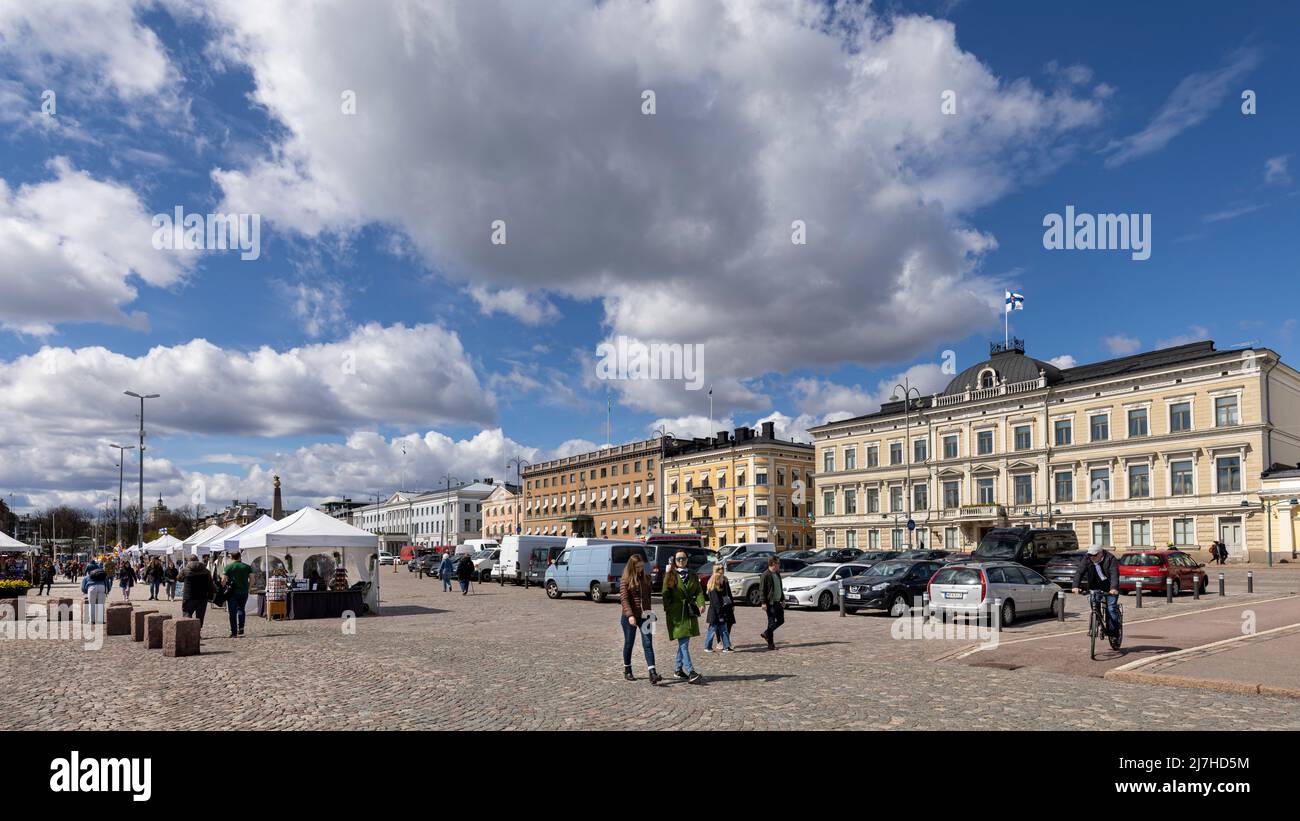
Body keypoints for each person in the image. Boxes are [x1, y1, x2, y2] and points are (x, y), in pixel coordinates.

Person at [661, 551, 706, 684]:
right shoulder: (670, 575)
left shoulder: (692, 574)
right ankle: (691, 671)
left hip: (689, 611)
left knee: (683, 642)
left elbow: (698, 591)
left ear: (687, 560)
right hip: (677, 613)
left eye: (683, 558)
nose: (681, 560)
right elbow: (665, 594)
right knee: (684, 643)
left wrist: (701, 603)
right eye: (678, 558)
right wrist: (669, 609)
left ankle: (678, 670)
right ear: (675, 560)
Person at [618, 554, 661, 684]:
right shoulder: (625, 579)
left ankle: (652, 672)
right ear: (632, 567)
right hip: (629, 616)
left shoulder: (646, 579)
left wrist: (651, 614)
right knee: (629, 643)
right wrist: (630, 615)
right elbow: (624, 599)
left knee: (648, 643)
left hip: (646, 616)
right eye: (637, 567)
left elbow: (647, 599)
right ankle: (627, 669)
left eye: (642, 566)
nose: (640, 569)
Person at [1071, 544, 1121, 629]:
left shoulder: (1110, 558)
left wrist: (1113, 588)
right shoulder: (1087, 558)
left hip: (1110, 586)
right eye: (1090, 555)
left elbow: (1114, 574)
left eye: (1094, 555)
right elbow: (1079, 572)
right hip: (1095, 585)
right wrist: (1075, 586)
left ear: (1101, 553)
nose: (1092, 557)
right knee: (1094, 603)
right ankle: (1097, 619)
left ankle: (1114, 634)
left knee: (1111, 609)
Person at [704, 564, 735, 653]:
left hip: (720, 611)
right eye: (720, 569)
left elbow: (727, 594)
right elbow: (716, 602)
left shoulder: (722, 581)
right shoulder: (713, 584)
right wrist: (720, 613)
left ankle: (726, 646)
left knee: (723, 629)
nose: (722, 570)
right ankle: (708, 646)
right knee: (713, 630)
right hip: (716, 612)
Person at [222, 551, 253, 638]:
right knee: (241, 609)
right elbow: (252, 578)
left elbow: (223, 580)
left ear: (231, 557)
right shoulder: (246, 567)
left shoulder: (228, 567)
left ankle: (234, 632)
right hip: (243, 591)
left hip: (232, 593)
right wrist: (249, 588)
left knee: (232, 612)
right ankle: (241, 627)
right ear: (240, 557)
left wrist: (223, 587)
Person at [178, 554, 212, 627]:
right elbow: (210, 584)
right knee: (200, 616)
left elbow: (179, 579)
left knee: (187, 614)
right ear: (198, 560)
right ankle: (197, 632)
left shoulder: (185, 570)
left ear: (189, 561)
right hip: (202, 597)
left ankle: (188, 632)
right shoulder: (206, 571)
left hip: (189, 596)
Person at [759, 555, 784, 650]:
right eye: (778, 563)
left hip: (778, 602)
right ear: (773, 563)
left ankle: (766, 633)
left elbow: (779, 588)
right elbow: (762, 590)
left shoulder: (777, 573)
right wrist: (763, 602)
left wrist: (783, 599)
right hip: (770, 603)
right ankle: (771, 644)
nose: (779, 565)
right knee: (771, 622)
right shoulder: (765, 575)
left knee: (781, 620)